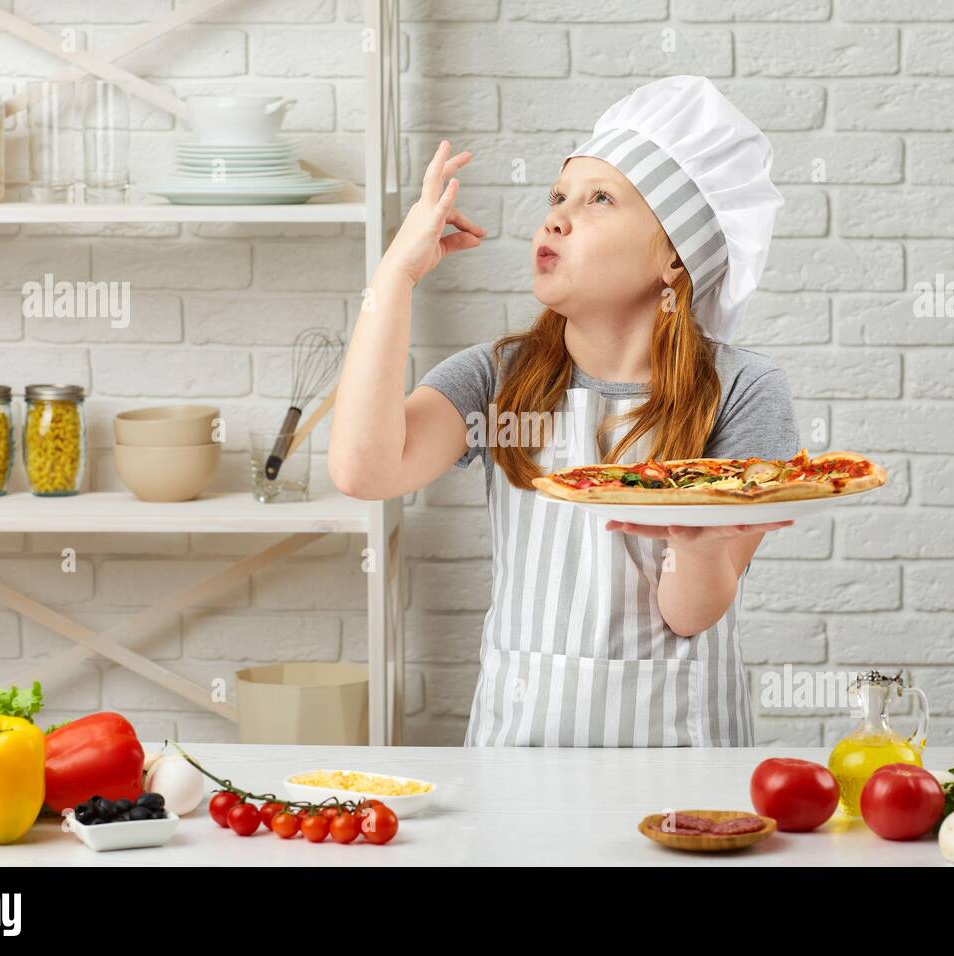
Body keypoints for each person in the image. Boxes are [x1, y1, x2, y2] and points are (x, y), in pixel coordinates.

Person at [330, 75, 799, 747]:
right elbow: (362, 471)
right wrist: (394, 277)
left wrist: (695, 541)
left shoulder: (745, 390)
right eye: (557, 197)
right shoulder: (496, 379)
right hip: (517, 761)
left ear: (673, 256)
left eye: (599, 198)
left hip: (681, 770)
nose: (555, 217)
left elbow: (690, 614)